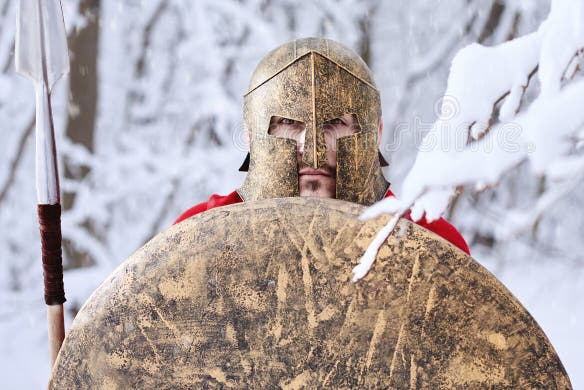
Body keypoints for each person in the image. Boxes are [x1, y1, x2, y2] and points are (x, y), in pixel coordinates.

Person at [174, 38, 469, 254]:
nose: (312, 149)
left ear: (375, 134)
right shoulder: (199, 234)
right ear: (252, 136)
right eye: (289, 123)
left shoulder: (430, 241)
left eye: (336, 123)